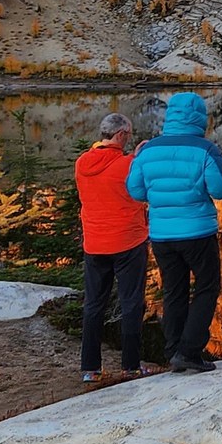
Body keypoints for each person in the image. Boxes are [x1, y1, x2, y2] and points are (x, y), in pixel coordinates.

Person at [125, 92, 222, 373]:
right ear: (200, 118)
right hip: (198, 232)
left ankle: (173, 350)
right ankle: (189, 351)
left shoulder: (148, 151)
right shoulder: (205, 149)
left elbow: (135, 191)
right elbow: (220, 189)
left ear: (170, 115)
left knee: (174, 290)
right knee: (206, 287)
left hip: (162, 235)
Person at [75, 112, 151, 381]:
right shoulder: (129, 165)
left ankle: (90, 369)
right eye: (127, 135)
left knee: (94, 304)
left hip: (95, 243)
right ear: (120, 135)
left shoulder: (82, 163)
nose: (128, 139)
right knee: (131, 303)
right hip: (128, 241)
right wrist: (138, 158)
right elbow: (142, 192)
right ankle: (131, 365)